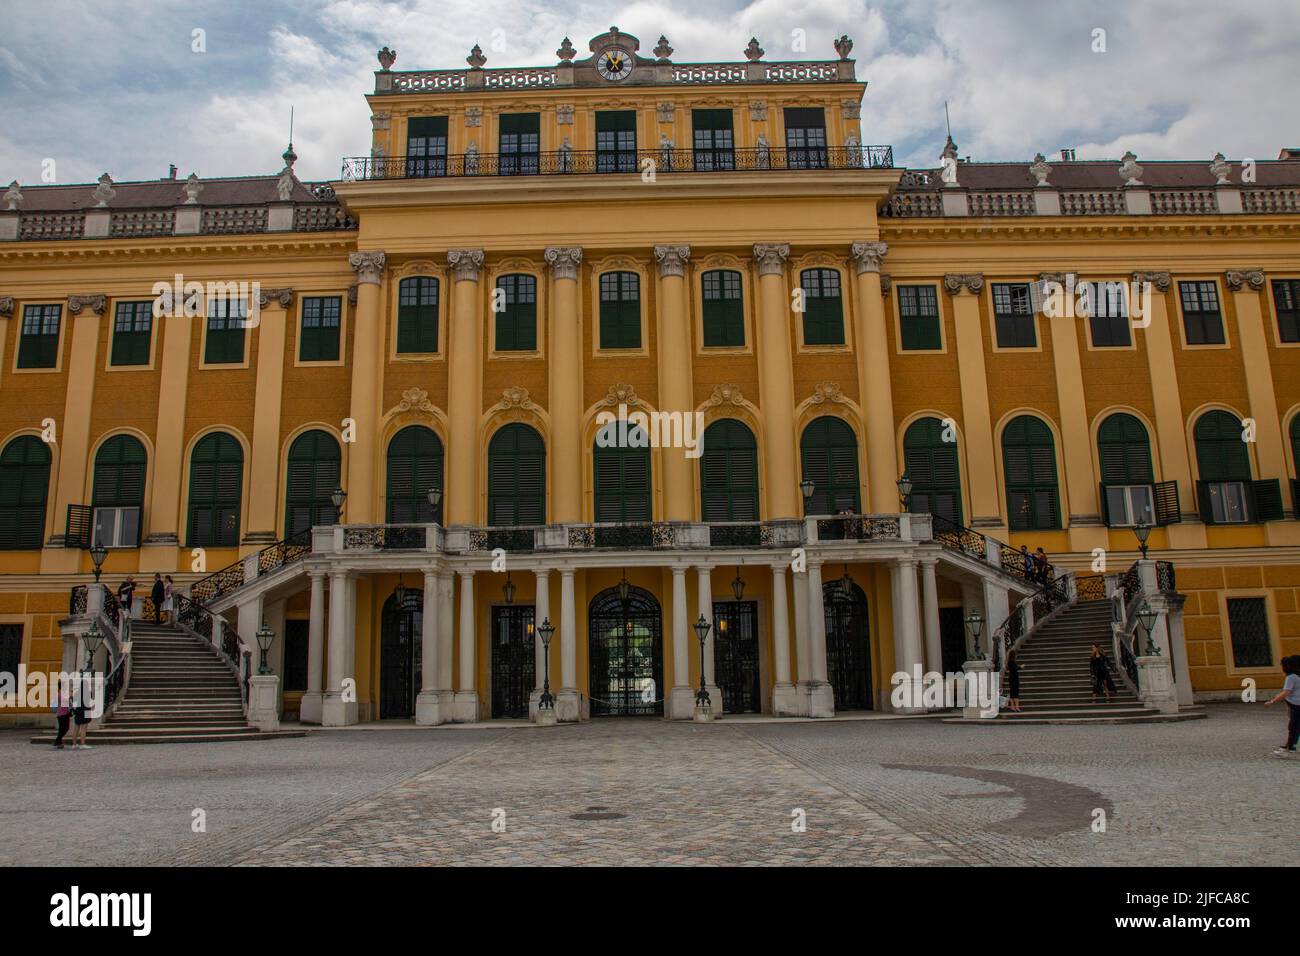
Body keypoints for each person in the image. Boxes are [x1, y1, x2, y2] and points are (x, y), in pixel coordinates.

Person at [1263, 654, 1300, 757]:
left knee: (1293, 726)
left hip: (1296, 706)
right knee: (1296, 727)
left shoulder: (1291, 677)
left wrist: (1272, 701)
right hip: (1295, 705)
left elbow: (1286, 693)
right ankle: (1290, 746)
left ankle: (1289, 748)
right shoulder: (1297, 676)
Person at [71, 682, 92, 750]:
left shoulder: (77, 693)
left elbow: (72, 700)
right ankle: (82, 744)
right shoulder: (88, 692)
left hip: (78, 711)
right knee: (84, 729)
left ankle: (74, 744)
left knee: (76, 728)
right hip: (86, 710)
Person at [52, 678, 72, 750]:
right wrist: (70, 694)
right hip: (61, 713)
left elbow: (68, 702)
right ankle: (57, 740)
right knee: (64, 728)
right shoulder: (60, 694)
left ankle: (59, 742)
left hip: (65, 713)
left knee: (64, 728)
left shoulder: (62, 693)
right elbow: (65, 700)